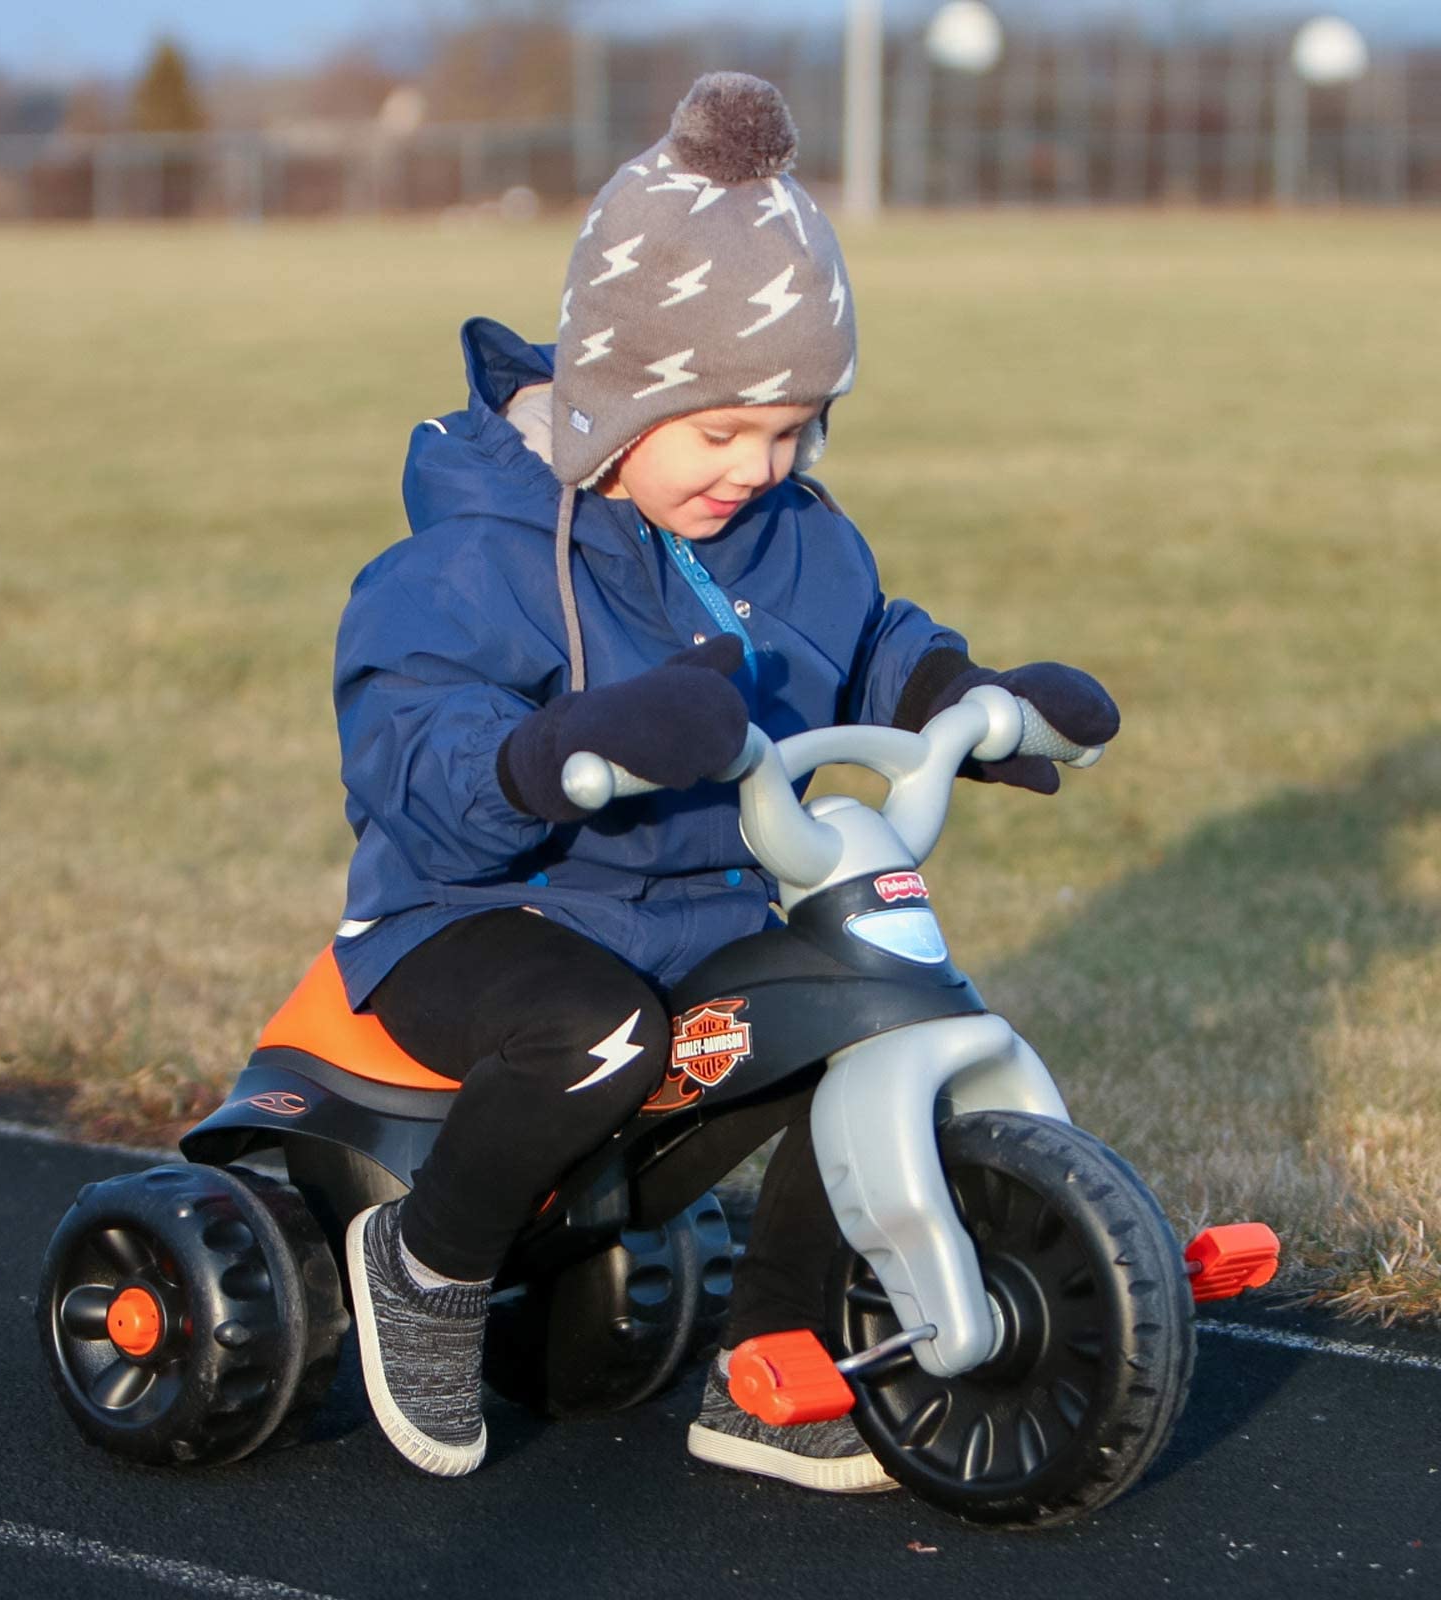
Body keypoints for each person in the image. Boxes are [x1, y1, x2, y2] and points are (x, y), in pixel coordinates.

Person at [332, 72, 1119, 1489]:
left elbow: (867, 646)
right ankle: (427, 1267)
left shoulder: (794, 536)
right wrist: (565, 750)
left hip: (691, 919)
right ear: (619, 401)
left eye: (793, 430)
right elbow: (417, 763)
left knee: (864, 1010)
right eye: (719, 431)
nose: (757, 469)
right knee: (601, 1032)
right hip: (476, 917)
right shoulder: (484, 551)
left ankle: (770, 1374)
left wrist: (964, 700)